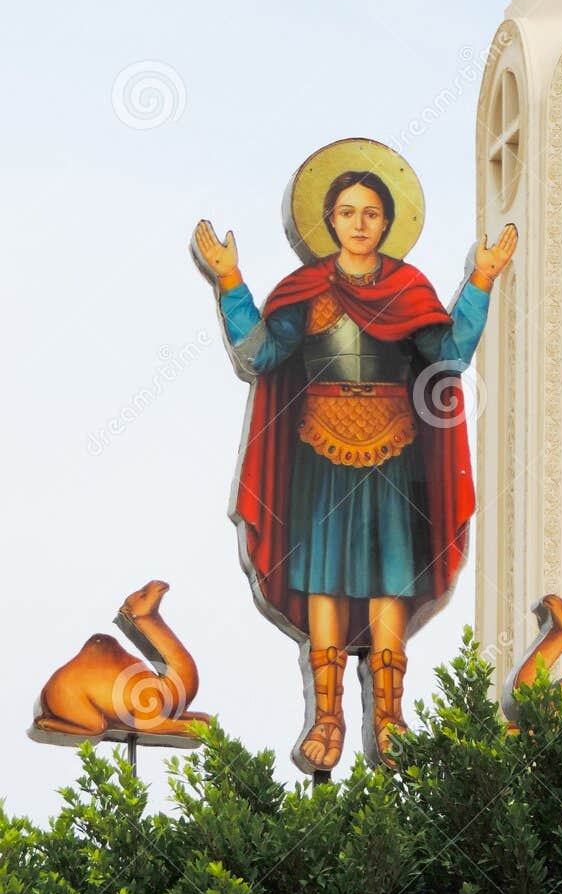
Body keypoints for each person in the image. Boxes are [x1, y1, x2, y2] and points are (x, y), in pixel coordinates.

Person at [194, 165, 516, 772]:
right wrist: (230, 280)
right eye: (347, 212)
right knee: (325, 579)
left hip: (394, 453)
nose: (359, 224)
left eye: (371, 213)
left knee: (389, 577)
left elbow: (447, 357)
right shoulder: (307, 289)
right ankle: (326, 718)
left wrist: (480, 282)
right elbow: (261, 353)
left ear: (388, 222)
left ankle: (389, 716)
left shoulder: (410, 289)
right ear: (330, 220)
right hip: (320, 453)